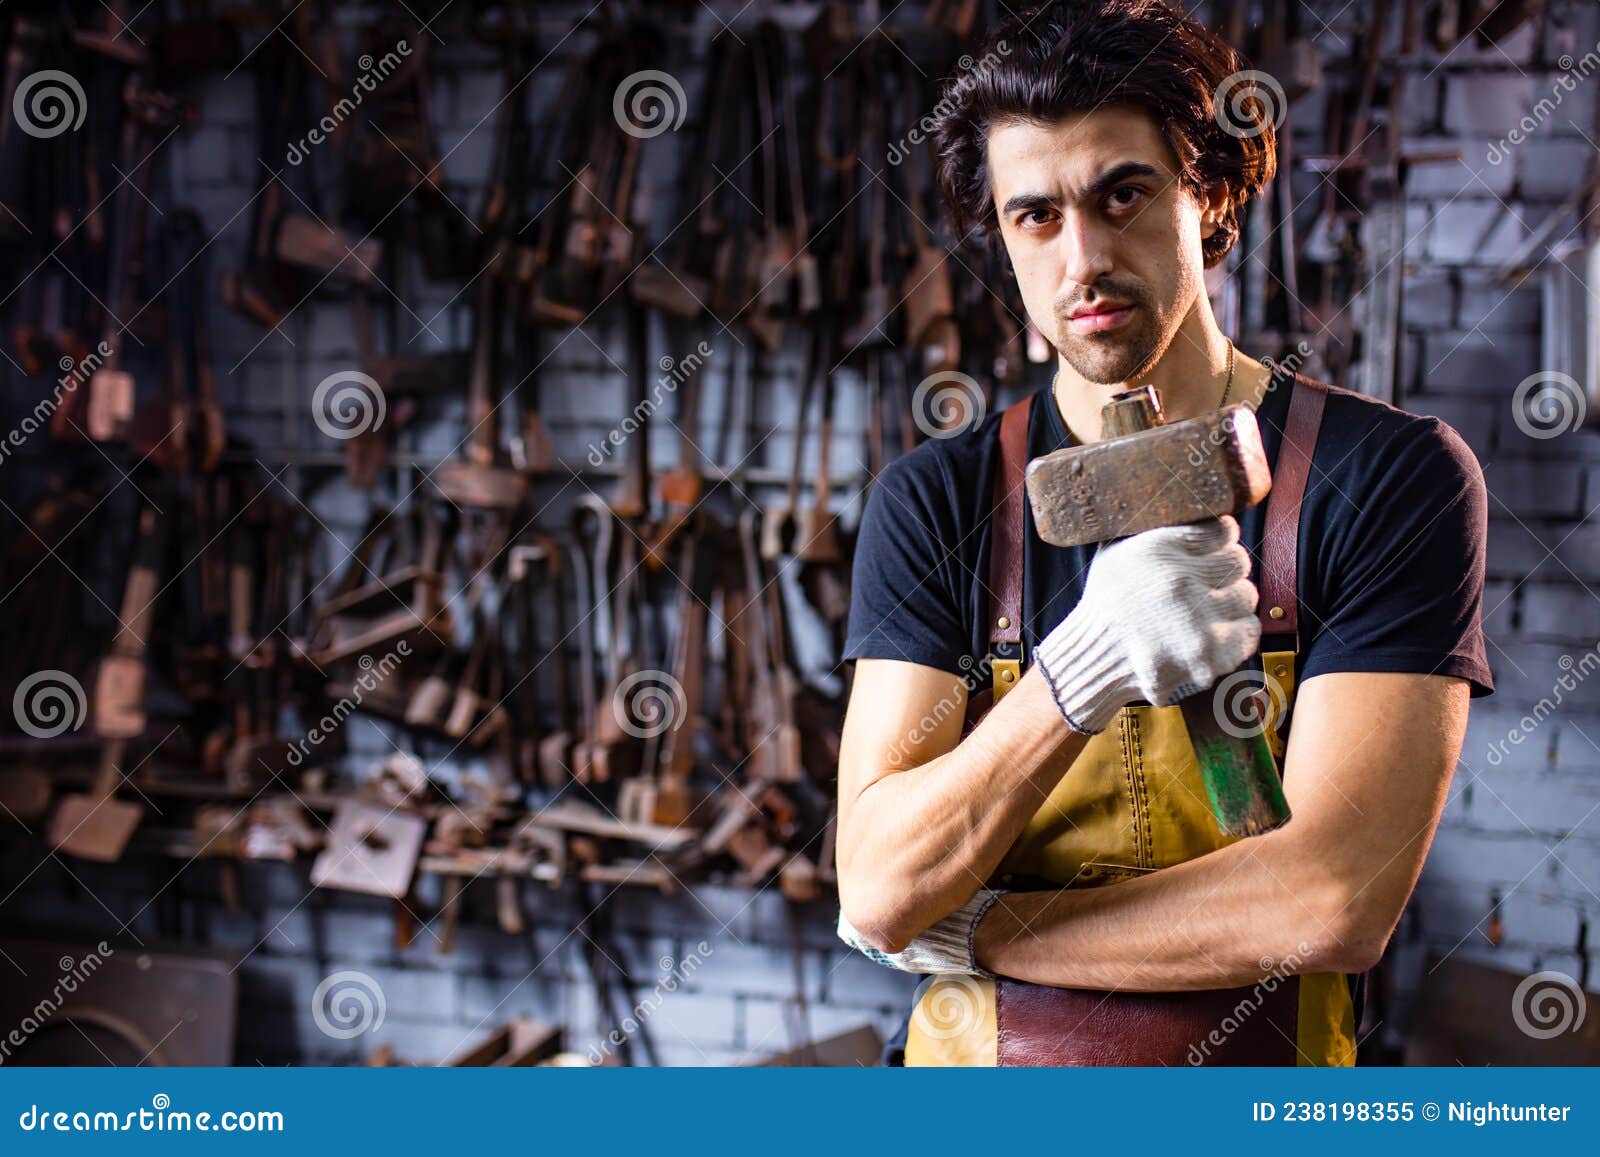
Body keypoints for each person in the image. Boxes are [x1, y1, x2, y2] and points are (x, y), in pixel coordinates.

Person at [834, 0, 1494, 1066]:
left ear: (1212, 198)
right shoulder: (938, 501)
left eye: (1123, 194)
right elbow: (878, 883)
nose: (1082, 259)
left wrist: (984, 930)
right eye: (1035, 216)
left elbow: (1330, 898)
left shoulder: (1387, 476)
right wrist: (1082, 669)